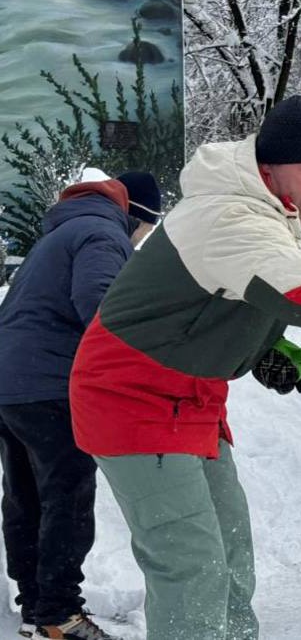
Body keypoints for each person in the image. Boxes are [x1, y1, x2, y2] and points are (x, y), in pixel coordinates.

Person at [67, 96, 301, 640]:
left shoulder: (267, 208)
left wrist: (265, 348)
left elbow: (233, 295)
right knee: (190, 566)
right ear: (271, 163)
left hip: (192, 397)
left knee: (230, 555)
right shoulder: (228, 214)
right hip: (131, 396)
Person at [0, 172, 158, 640]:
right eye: (146, 231)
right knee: (66, 496)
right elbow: (102, 304)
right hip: (51, 383)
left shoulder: (64, 231)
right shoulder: (103, 233)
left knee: (25, 496)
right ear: (137, 217)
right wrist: (142, 369)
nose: (140, 241)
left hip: (10, 382)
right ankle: (60, 614)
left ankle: (35, 606)